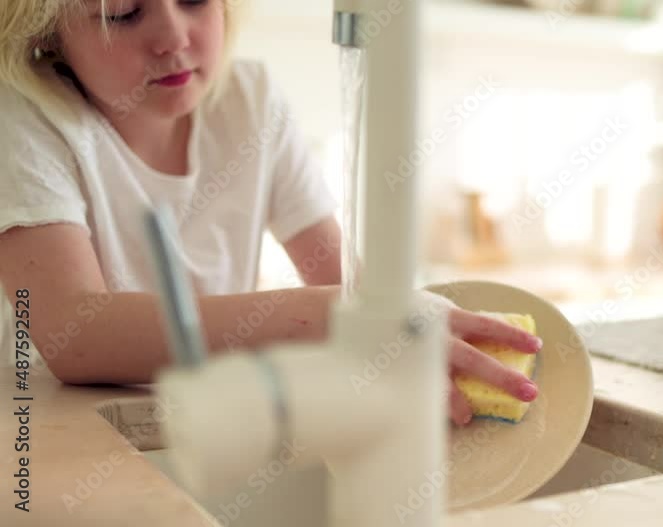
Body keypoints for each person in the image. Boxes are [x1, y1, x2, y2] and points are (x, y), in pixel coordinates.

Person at [0, 0, 539, 426]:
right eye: (121, 12)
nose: (173, 37)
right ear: (48, 32)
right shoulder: (23, 117)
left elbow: (341, 272)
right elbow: (74, 332)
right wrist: (335, 315)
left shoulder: (250, 100)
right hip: (49, 439)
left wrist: (415, 340)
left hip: (205, 423)